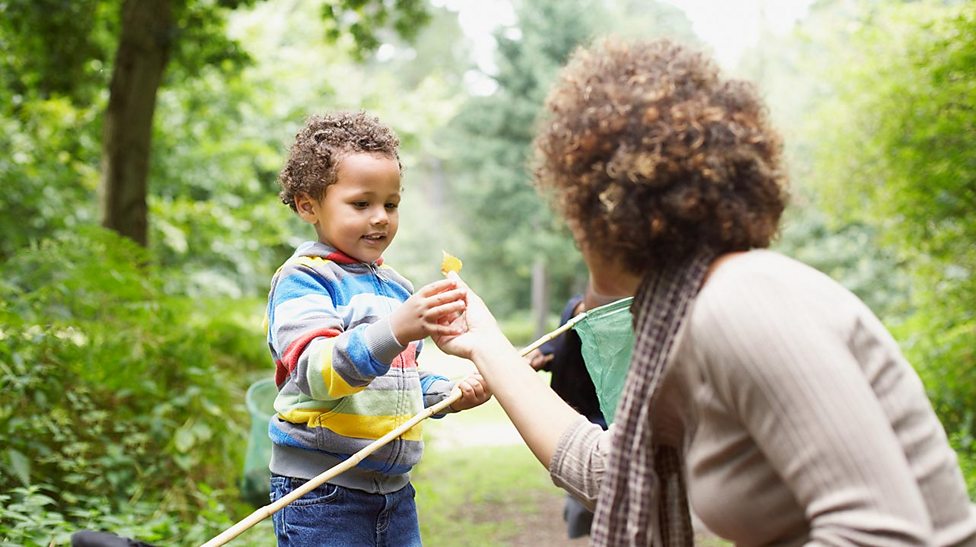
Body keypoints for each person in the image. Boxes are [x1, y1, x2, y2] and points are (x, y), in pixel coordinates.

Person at [434, 38, 976, 546]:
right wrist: (486, 344)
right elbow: (606, 472)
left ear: (605, 212)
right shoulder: (687, 326)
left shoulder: (742, 302)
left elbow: (881, 535)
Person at [266, 110, 490, 546]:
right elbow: (317, 372)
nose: (381, 217)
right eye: (361, 203)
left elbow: (399, 383)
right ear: (307, 204)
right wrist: (397, 329)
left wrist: (449, 393)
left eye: (390, 204)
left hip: (394, 493)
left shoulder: (395, 286)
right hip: (322, 493)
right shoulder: (304, 279)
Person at [526, 283, 615, 539]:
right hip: (578, 419)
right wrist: (540, 354)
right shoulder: (576, 310)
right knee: (584, 509)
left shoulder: (627, 317)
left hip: (610, 421)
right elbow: (557, 347)